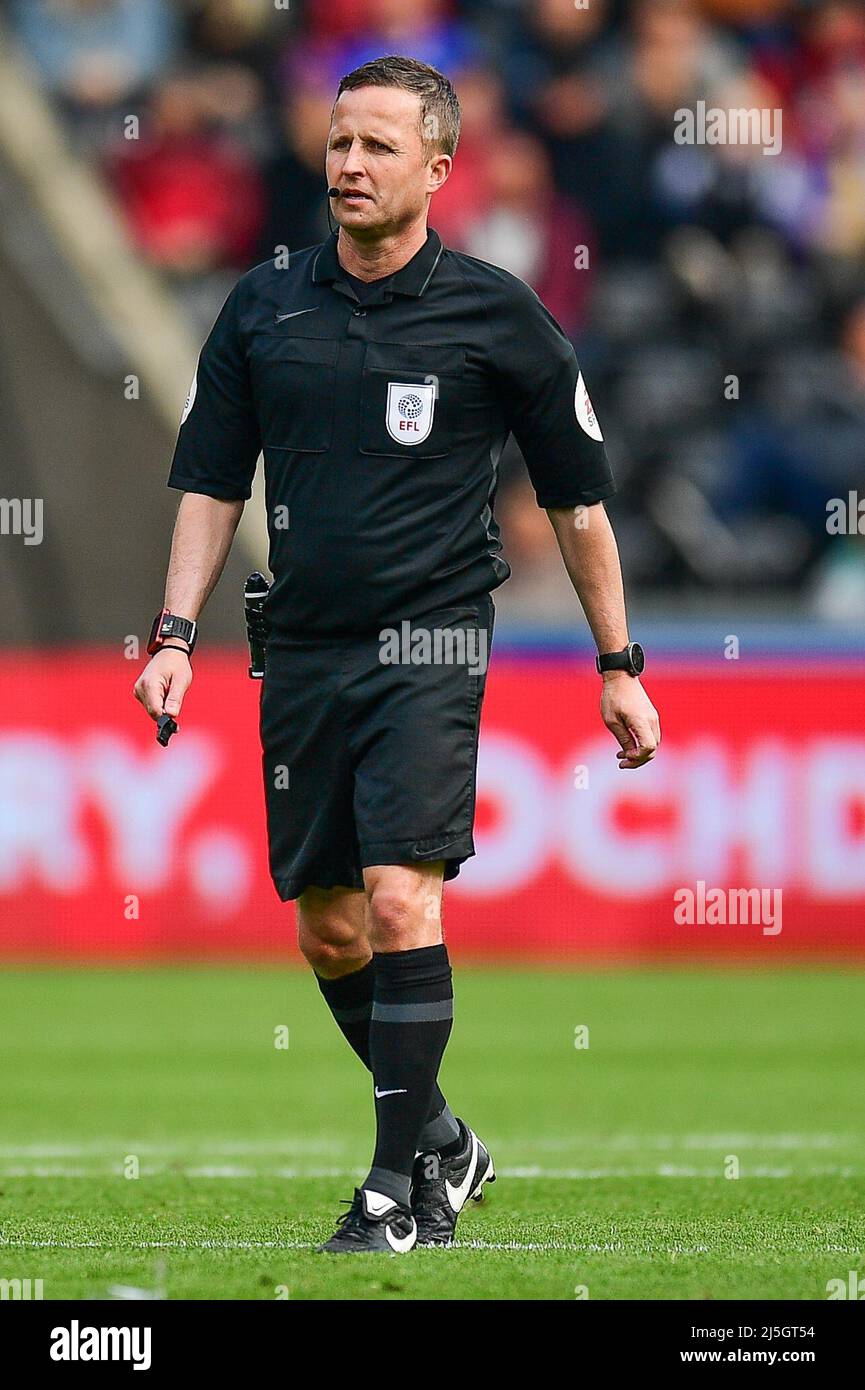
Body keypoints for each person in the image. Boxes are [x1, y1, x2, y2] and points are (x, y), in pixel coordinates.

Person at [133, 54, 660, 1255]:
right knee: (328, 929)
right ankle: (441, 1138)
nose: (350, 164)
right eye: (337, 142)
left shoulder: (496, 312)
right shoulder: (264, 306)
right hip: (302, 647)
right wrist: (171, 634)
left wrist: (617, 660)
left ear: (438, 166)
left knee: (397, 897)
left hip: (430, 643)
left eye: (377, 145)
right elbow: (212, 482)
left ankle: (387, 1194)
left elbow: (579, 503)